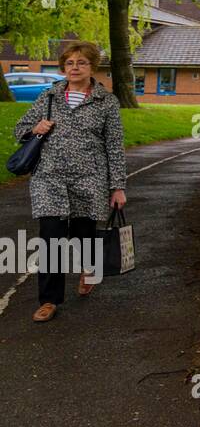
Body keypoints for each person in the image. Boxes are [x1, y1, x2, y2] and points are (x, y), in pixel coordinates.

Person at [12, 42, 127, 322]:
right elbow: (19, 129)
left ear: (92, 67)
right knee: (51, 239)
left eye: (82, 63)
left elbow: (114, 145)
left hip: (90, 180)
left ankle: (87, 267)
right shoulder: (48, 97)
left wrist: (118, 186)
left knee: (82, 236)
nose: (75, 68)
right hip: (49, 179)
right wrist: (34, 128)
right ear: (63, 68)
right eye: (70, 63)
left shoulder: (106, 102)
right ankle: (49, 300)